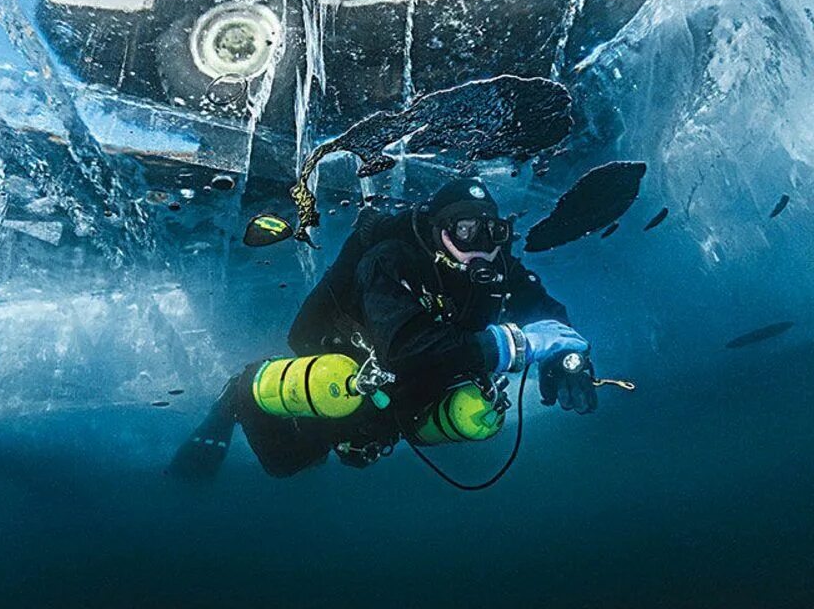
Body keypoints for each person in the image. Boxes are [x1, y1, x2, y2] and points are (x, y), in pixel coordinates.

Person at [170, 177, 597, 480]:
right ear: (438, 231)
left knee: (461, 421)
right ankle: (239, 394)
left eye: (493, 231)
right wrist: (516, 346)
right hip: (353, 368)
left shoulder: (496, 265)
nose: (482, 246)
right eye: (465, 230)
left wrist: (568, 356)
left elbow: (546, 310)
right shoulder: (390, 259)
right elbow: (405, 349)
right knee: (288, 463)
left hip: (413, 383)